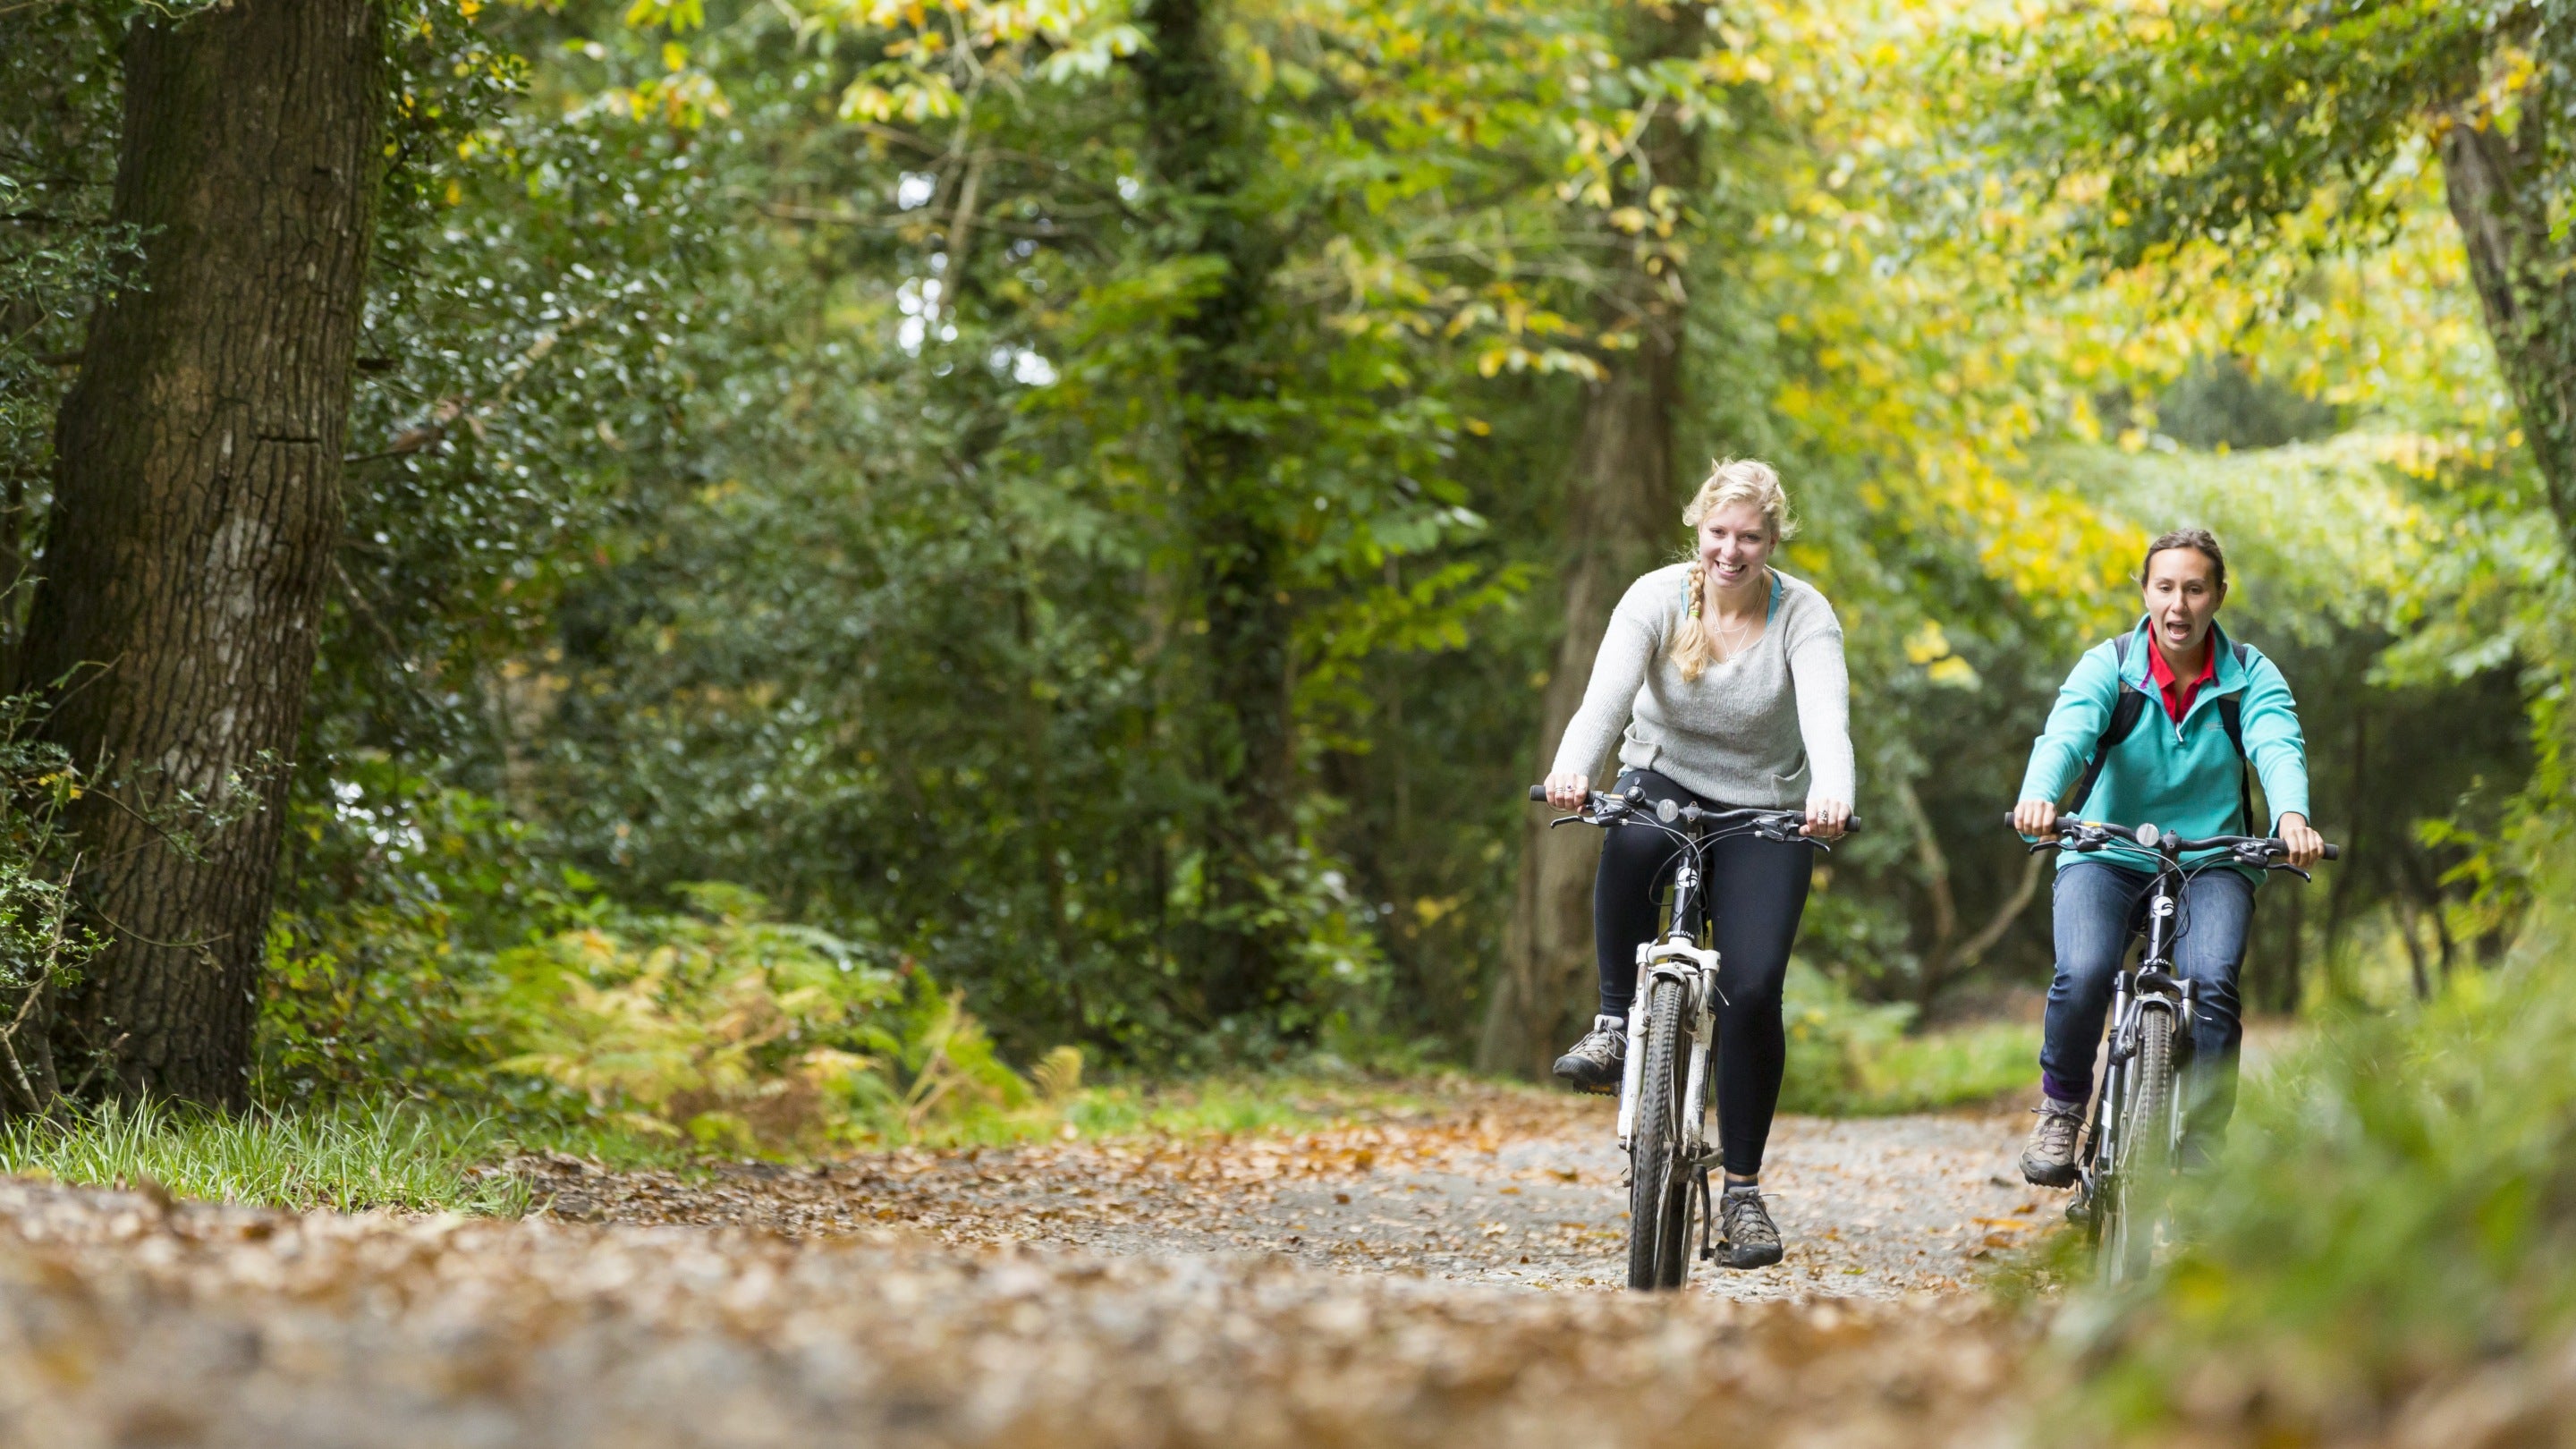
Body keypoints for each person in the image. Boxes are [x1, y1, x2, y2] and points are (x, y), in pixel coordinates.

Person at [1540, 458, 1853, 1269]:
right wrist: (1574, 769)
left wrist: (1834, 793)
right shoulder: (1655, 596)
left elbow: (1826, 718)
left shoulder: (1803, 615)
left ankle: (1743, 1193)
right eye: (1719, 533)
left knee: (1751, 989)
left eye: (1750, 537)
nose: (1731, 551)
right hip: (1666, 778)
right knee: (1633, 832)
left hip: (1766, 807)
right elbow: (1604, 698)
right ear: (1698, 532)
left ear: (1773, 540)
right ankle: (1615, 1023)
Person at [2009, 528, 2324, 1187]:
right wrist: (2039, 797)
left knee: (2212, 985)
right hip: (2107, 848)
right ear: (2145, 591)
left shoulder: (2249, 677)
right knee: (2086, 969)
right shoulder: (2110, 665)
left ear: (2218, 595)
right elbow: (2067, 734)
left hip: (2215, 858)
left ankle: (2204, 1139)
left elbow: (2276, 743)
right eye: (2165, 587)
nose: (2178, 605)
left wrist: (2290, 816)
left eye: (2194, 588)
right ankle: (2064, 1108)